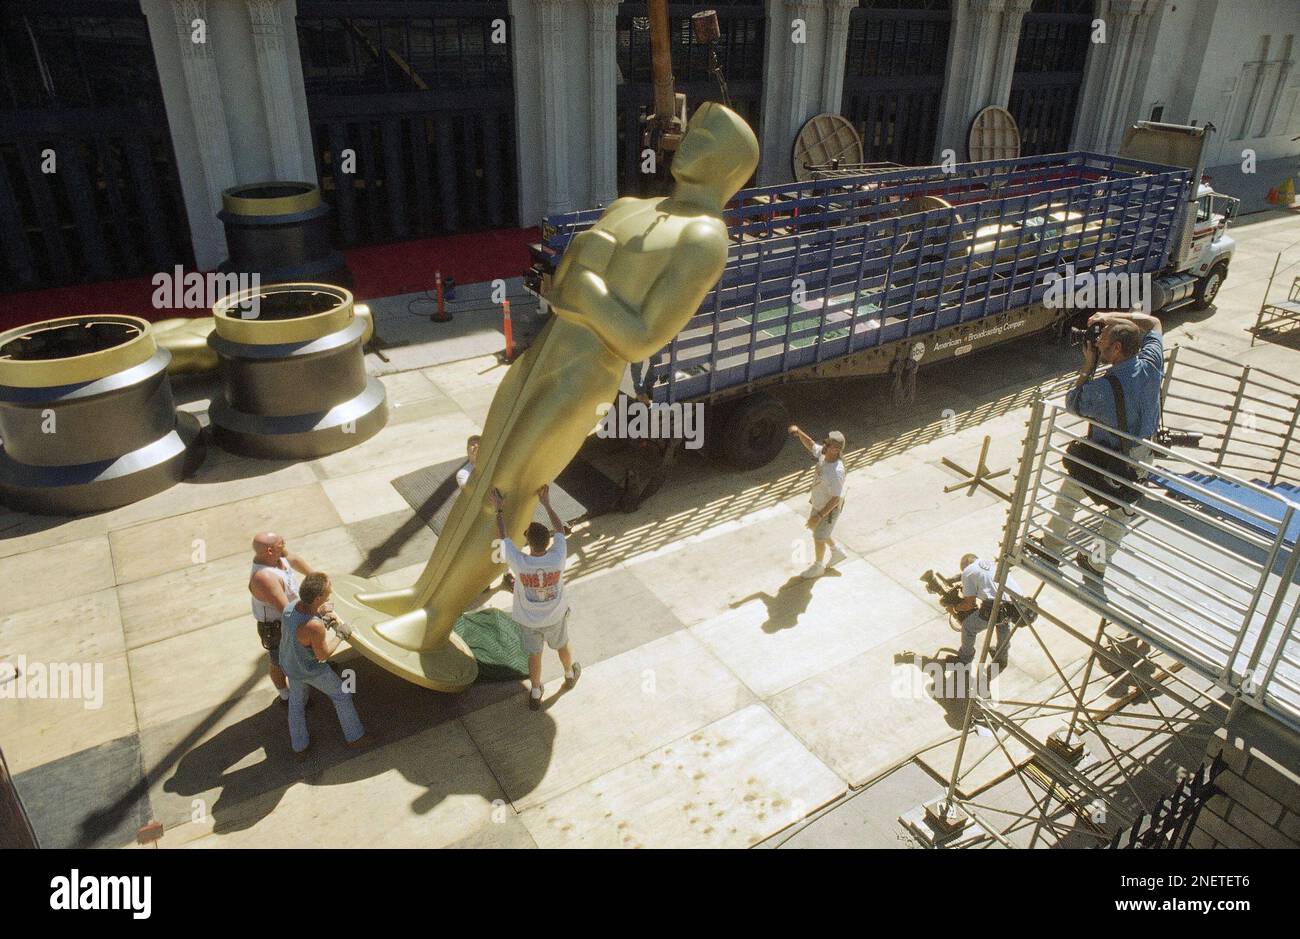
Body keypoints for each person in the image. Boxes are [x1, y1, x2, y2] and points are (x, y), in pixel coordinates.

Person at [350, 102, 760, 670]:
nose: (689, 139)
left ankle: (438, 618)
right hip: (542, 355)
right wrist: (586, 285)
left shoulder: (704, 237)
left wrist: (588, 281)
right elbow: (561, 286)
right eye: (694, 129)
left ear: (734, 163)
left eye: (708, 134)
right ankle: (423, 594)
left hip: (586, 376)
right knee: (481, 476)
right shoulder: (631, 205)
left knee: (510, 489)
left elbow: (640, 337)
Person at [1032, 310, 1163, 577]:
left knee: (1068, 498)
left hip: (1104, 459)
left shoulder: (1104, 389)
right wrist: (1113, 317)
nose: (1096, 343)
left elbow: (1074, 402)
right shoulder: (1151, 362)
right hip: (1141, 458)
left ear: (1116, 348)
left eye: (1101, 340)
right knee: (1120, 514)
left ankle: (1052, 547)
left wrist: (1089, 365)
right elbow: (1154, 323)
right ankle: (1096, 562)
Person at [490, 484, 580, 710]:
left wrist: (499, 510)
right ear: (548, 542)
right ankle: (569, 674)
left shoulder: (520, 563)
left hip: (529, 622)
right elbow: (560, 529)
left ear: (528, 543)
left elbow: (503, 536)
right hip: (555, 617)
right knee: (562, 646)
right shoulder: (558, 557)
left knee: (534, 656)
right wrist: (547, 504)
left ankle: (536, 690)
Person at [279, 572, 370, 760]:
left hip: (290, 665)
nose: (330, 595)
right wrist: (340, 635)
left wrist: (320, 614)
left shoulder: (289, 609)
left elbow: (300, 635)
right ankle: (355, 738)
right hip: (311, 670)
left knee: (296, 704)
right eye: (327, 593)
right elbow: (322, 655)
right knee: (342, 696)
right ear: (318, 597)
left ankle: (299, 748)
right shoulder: (314, 626)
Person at [248, 532, 315, 706]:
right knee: (279, 662)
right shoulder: (264, 578)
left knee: (306, 648)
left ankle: (312, 672)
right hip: (276, 628)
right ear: (269, 551)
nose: (285, 545)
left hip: (295, 616)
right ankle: (285, 695)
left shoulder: (278, 556)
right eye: (281, 543)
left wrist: (315, 578)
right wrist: (316, 610)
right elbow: (286, 610)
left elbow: (293, 559)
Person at [787, 425, 849, 578]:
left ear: (835, 450)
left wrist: (819, 516)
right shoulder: (825, 455)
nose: (824, 445)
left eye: (827, 444)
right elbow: (811, 445)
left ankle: (818, 566)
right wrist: (799, 432)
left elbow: (836, 498)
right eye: (825, 442)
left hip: (828, 510)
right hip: (819, 503)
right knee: (818, 531)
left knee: (818, 537)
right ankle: (836, 551)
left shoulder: (836, 471)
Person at [943, 554, 1023, 670]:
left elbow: (969, 604)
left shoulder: (967, 572)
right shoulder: (990, 563)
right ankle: (1001, 658)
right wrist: (954, 579)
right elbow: (972, 574)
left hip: (997, 608)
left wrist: (955, 609)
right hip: (1017, 605)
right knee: (1003, 624)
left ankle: (964, 659)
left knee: (968, 627)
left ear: (965, 566)